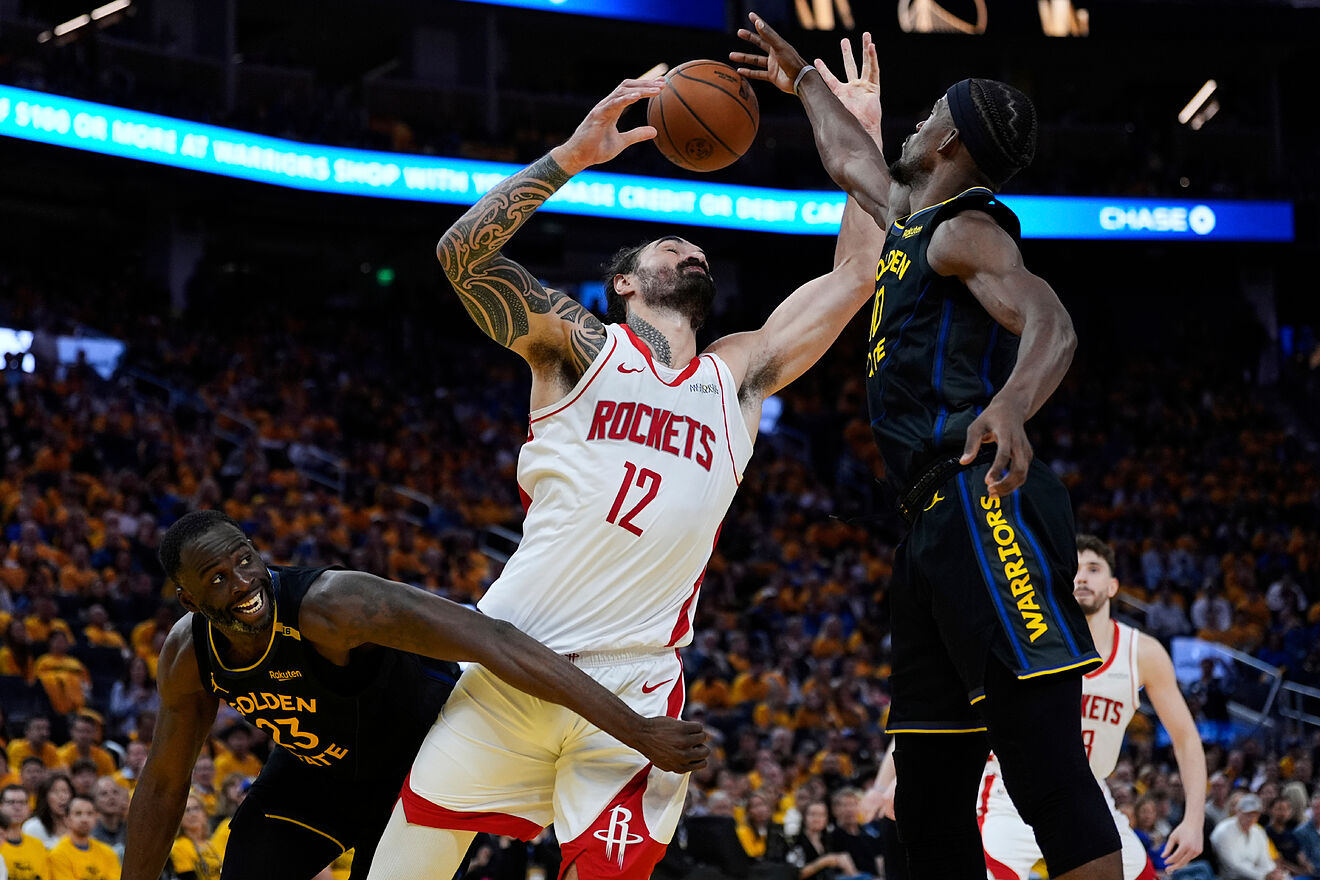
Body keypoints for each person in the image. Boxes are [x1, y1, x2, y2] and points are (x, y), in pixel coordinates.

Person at [367, 45, 887, 880]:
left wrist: (859, 134)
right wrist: (572, 156)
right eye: (668, 247)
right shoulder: (579, 348)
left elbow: (860, 271)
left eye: (698, 252)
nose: (690, 252)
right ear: (624, 283)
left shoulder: (739, 374)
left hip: (635, 690)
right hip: (510, 662)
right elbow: (461, 257)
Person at [735, 17, 1122, 880]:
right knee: (929, 797)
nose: (907, 127)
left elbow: (1051, 319)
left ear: (947, 140)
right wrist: (803, 81)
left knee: (1043, 770)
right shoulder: (910, 213)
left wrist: (1015, 402)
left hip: (983, 499)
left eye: (923, 117)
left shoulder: (964, 232)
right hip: (926, 524)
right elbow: (849, 162)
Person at [122, 510, 708, 880]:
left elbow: (493, 639)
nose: (243, 582)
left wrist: (638, 729)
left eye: (244, 560)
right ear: (190, 600)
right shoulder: (187, 655)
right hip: (315, 775)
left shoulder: (333, 605)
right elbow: (165, 783)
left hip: (418, 766)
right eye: (217, 579)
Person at [978, 535, 1207, 879]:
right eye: (1075, 569)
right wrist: (894, 777)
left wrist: (1193, 820)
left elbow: (1186, 738)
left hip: (1088, 795)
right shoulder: (1023, 640)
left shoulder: (1142, 652)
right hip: (1011, 794)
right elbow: (958, 706)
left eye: (1094, 569)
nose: (1082, 577)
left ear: (1113, 586)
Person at [1209, 794, 1287, 880]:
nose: (1251, 818)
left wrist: (1273, 873)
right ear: (1238, 811)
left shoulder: (1258, 831)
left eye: (1255, 815)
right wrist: (1264, 876)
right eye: (1247, 814)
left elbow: (1265, 860)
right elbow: (1234, 865)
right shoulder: (1224, 831)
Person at [48, 795, 120, 880]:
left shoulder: (108, 852)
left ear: (96, 818)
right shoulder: (58, 854)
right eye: (78, 814)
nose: (84, 819)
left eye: (90, 813)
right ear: (67, 819)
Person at [1, 783, 49, 880]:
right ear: (0, 806)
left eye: (22, 802)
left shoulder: (38, 845)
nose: (17, 807)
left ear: (29, 808)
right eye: (11, 802)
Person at [169, 794, 221, 880]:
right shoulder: (179, 846)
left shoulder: (214, 842)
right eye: (187, 810)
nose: (192, 814)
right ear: (179, 818)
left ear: (205, 813)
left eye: (196, 808)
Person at [23, 774, 72, 850]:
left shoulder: (78, 826)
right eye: (55, 792)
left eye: (65, 791)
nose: (62, 796)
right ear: (45, 797)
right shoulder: (33, 827)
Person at [90, 777, 128, 858]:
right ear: (94, 801)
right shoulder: (90, 835)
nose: (111, 797)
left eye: (115, 792)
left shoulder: (130, 830)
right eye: (104, 793)